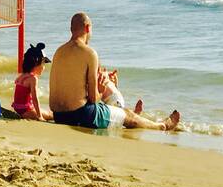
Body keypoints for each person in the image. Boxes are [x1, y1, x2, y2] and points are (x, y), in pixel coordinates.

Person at [48, 12, 179, 131]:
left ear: (71, 29)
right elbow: (93, 100)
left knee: (121, 111)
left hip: (59, 116)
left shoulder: (59, 52)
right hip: (82, 117)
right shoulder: (90, 53)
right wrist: (100, 89)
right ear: (88, 28)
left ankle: (129, 115)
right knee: (128, 116)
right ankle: (162, 126)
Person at [13, 43, 52, 121]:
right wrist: (39, 116)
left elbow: (18, 96)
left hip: (18, 109)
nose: (44, 67)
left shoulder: (21, 76)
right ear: (37, 63)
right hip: (26, 111)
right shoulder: (33, 79)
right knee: (50, 115)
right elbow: (35, 98)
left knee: (48, 112)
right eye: (43, 64)